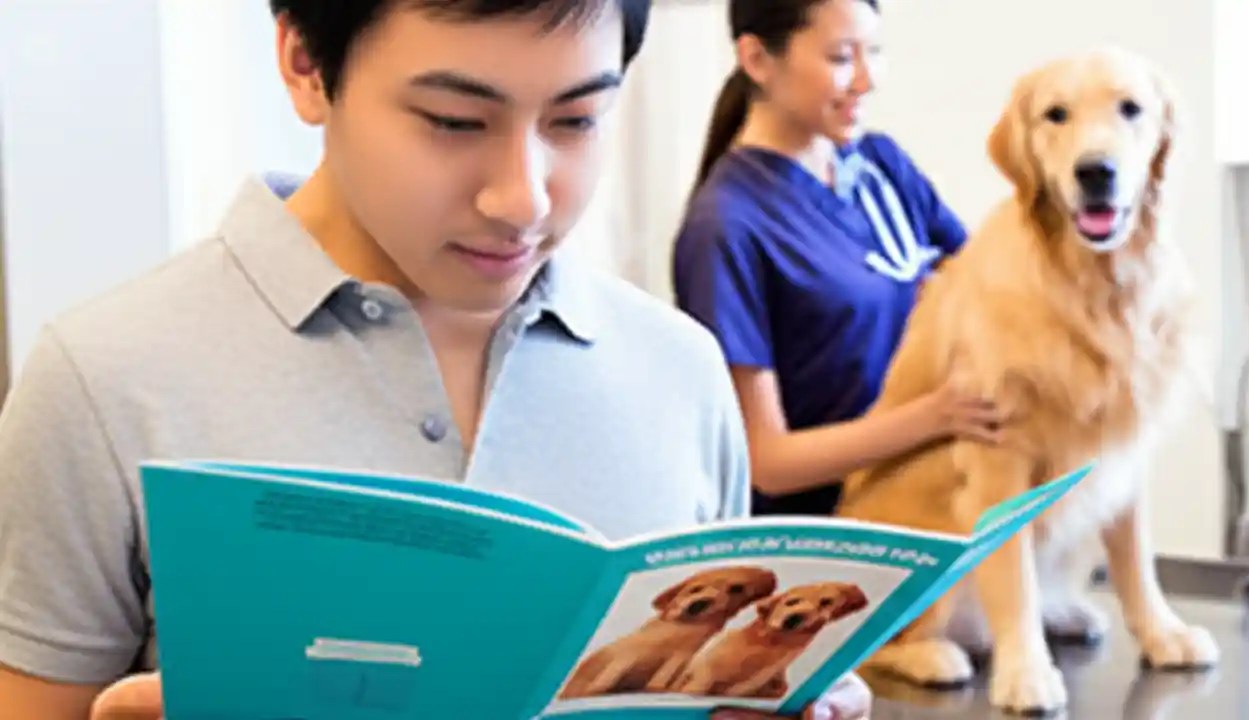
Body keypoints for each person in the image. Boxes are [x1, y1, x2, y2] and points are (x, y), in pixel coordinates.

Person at [0, 1, 870, 718]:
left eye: (577, 119)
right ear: (305, 62)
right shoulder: (104, 375)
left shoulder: (680, 369)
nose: (522, 197)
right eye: (454, 122)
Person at [672, 0, 1002, 518]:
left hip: (920, 499)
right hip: (819, 542)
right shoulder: (726, 227)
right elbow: (768, 462)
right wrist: (936, 416)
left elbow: (985, 278)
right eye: (842, 57)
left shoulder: (881, 166)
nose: (867, 80)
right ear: (757, 59)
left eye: (875, 52)